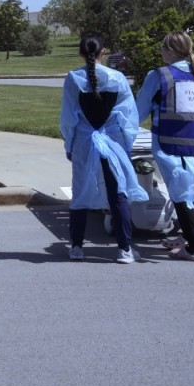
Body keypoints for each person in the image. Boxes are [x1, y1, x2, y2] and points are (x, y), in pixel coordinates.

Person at [135, 31, 194, 262]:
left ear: (171, 51)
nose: (161, 51)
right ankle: (187, 239)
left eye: (163, 47)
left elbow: (138, 111)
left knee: (181, 194)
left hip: (169, 146)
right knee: (186, 191)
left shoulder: (159, 76)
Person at [60, 34, 148, 263]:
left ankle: (77, 247)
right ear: (103, 51)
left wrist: (69, 144)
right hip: (113, 140)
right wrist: (125, 146)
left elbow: (68, 117)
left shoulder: (73, 78)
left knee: (79, 191)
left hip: (84, 141)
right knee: (117, 192)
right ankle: (124, 249)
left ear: (81, 52)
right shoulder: (117, 78)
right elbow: (129, 116)